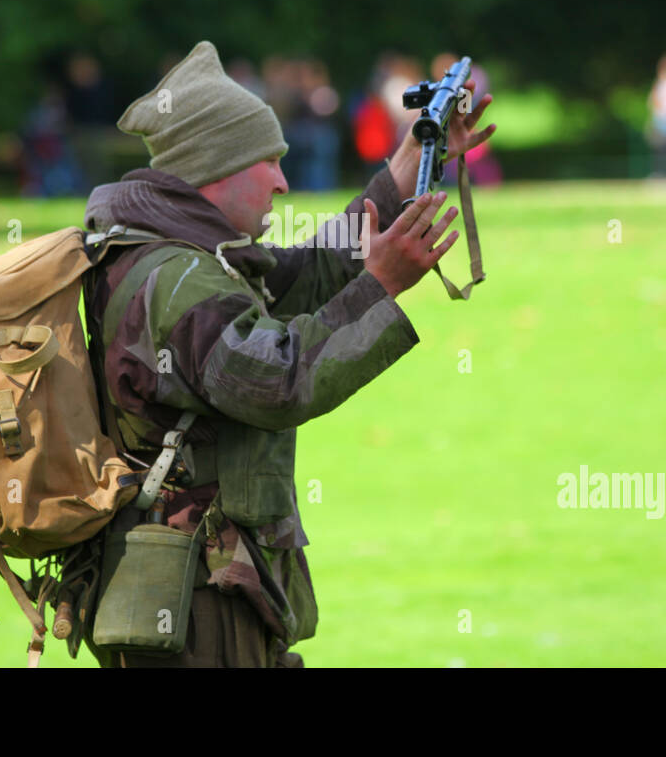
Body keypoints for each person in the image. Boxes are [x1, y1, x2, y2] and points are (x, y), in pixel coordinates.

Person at [81, 40, 495, 667]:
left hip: (210, 583)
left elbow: (311, 271)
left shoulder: (192, 255)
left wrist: (418, 153)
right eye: (268, 162)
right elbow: (276, 380)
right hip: (193, 602)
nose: (282, 180)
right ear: (216, 168)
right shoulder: (177, 278)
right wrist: (381, 285)